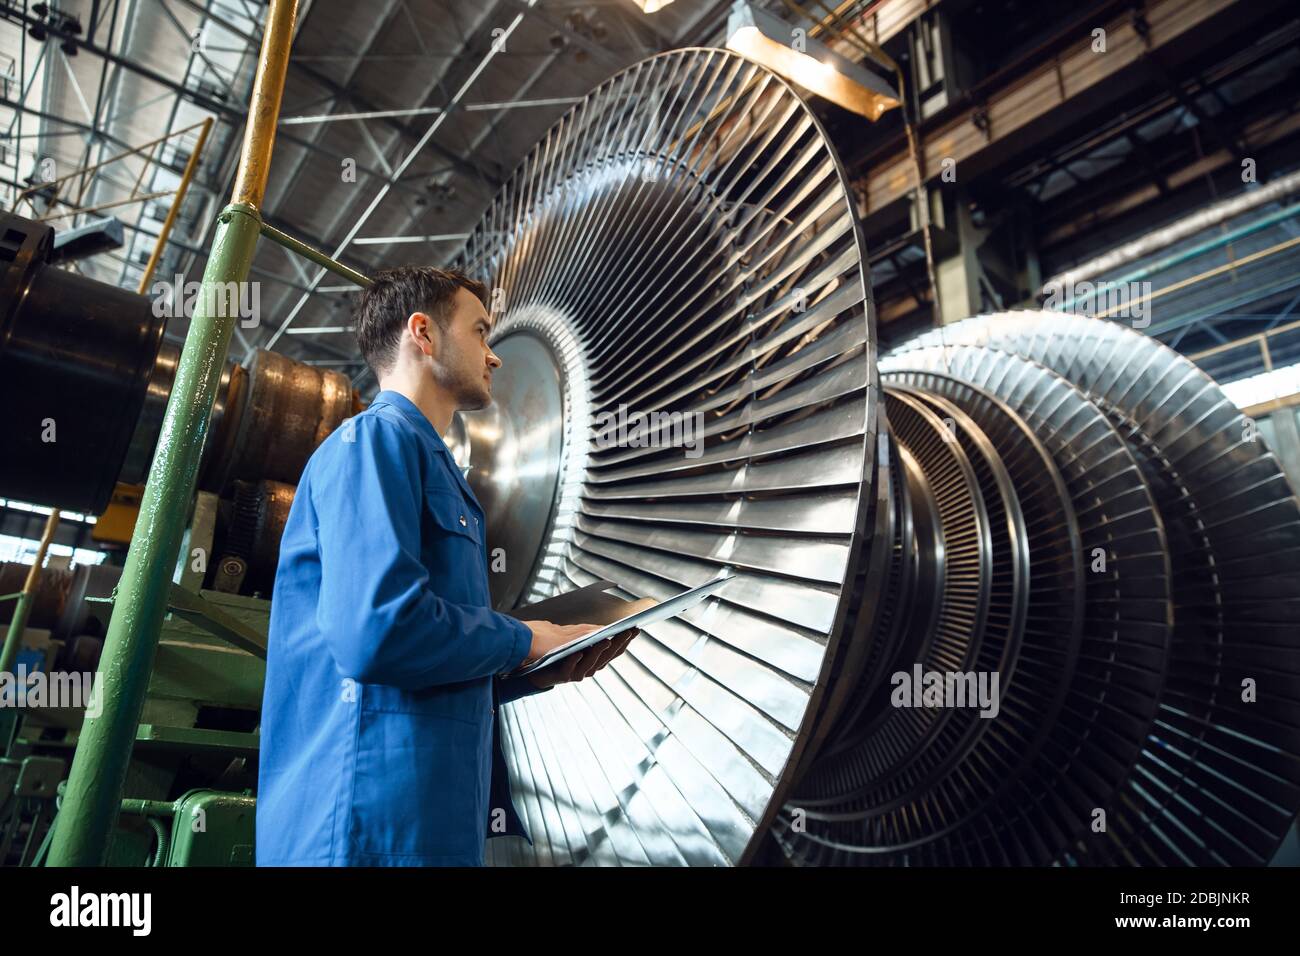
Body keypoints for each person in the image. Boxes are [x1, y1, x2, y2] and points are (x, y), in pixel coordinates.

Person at [255, 266, 635, 866]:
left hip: (427, 827)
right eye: (481, 331)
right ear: (424, 335)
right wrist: (523, 638)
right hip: (365, 831)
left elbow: (422, 661)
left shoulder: (435, 471)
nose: (496, 355)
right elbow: (378, 632)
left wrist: (534, 667)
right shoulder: (374, 446)